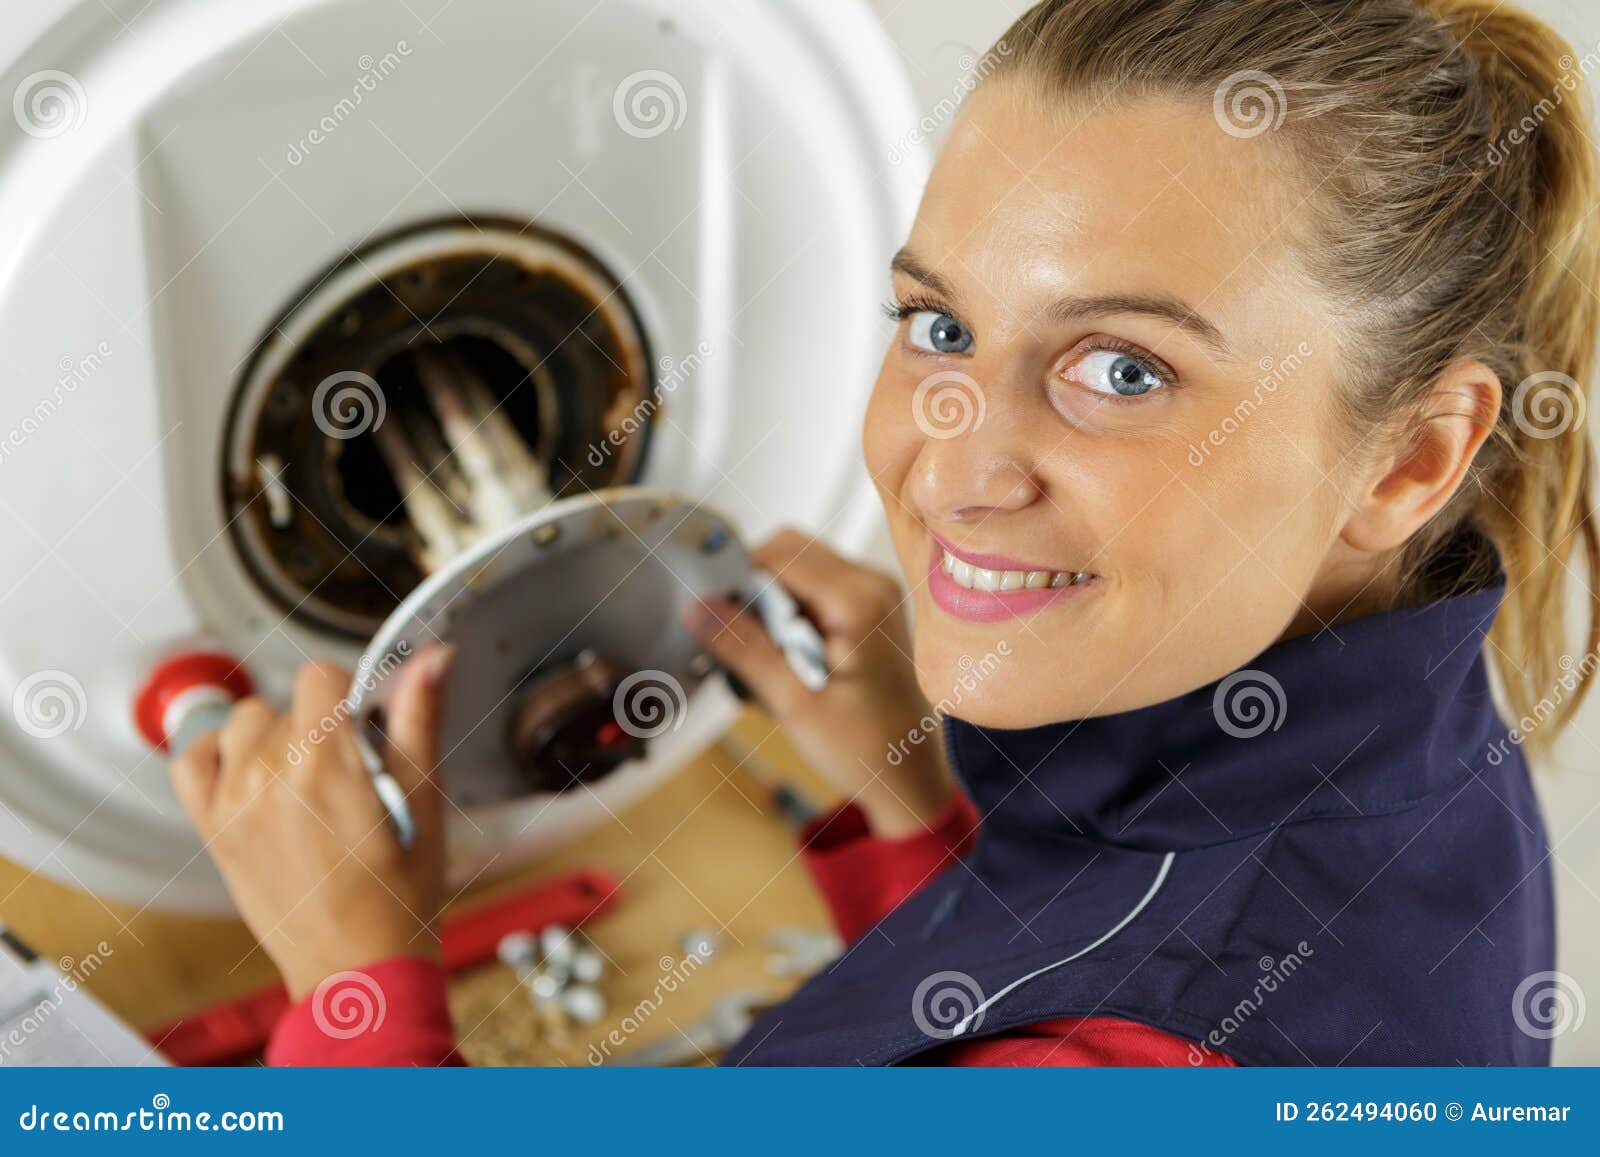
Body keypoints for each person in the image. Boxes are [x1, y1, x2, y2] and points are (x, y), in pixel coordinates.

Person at [172, 0, 1600, 1066]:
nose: (955, 470)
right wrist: (923, 824)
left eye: (1123, 369)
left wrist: (355, 987)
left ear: (1411, 456)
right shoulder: (1401, 744)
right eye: (940, 326)